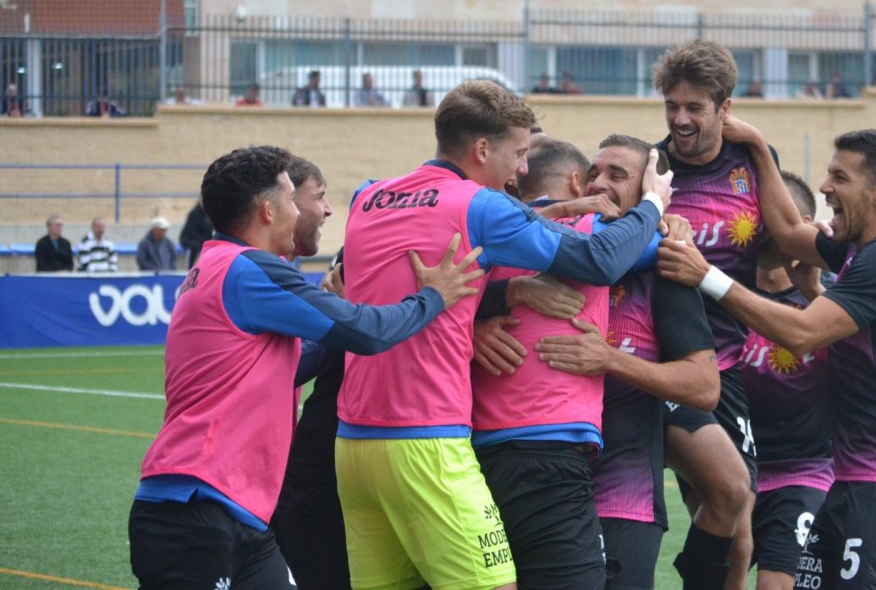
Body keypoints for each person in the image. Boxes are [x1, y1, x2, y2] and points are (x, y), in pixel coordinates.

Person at [334, 80, 673, 590]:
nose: (521, 169)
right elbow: (598, 259)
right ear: (482, 149)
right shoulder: (481, 206)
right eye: (517, 153)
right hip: (427, 439)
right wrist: (652, 207)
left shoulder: (369, 196)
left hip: (353, 444)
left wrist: (509, 289)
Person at [127, 144, 481, 590]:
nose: (306, 211)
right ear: (267, 211)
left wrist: (337, 314)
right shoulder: (251, 269)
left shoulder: (215, 266)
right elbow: (368, 332)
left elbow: (297, 360)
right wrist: (433, 297)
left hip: (234, 514)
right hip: (196, 506)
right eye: (294, 199)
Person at [657, 126, 876, 590]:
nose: (826, 187)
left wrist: (706, 275)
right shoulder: (857, 252)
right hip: (845, 478)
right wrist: (757, 148)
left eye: (839, 178)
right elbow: (789, 232)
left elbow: (804, 334)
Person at [469, 138, 668, 589]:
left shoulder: (480, 232)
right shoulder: (591, 225)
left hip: (470, 455)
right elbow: (653, 247)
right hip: (548, 454)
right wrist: (660, 208)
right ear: (577, 183)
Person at [535, 134, 719, 589]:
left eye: (618, 175)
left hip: (624, 497)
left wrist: (609, 359)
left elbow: (704, 386)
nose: (600, 182)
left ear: (647, 196)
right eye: (594, 172)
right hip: (541, 488)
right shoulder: (548, 252)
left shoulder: (665, 272)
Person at [653, 40, 764, 590]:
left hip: (730, 369)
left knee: (742, 528)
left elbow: (785, 236)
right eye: (672, 105)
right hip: (670, 362)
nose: (680, 118)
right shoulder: (653, 170)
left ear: (725, 108)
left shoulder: (746, 166)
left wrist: (763, 147)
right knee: (730, 491)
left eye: (694, 107)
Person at [736, 172, 832, 590]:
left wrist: (816, 293)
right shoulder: (724, 294)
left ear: (801, 225)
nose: (758, 232)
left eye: (769, 221)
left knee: (775, 584)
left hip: (804, 472)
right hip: (736, 476)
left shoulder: (830, 302)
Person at [270, 155, 353, 590]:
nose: (327, 209)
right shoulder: (254, 275)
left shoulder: (268, 272)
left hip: (291, 471)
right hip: (225, 486)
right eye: (317, 197)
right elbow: (291, 363)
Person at [180, 200, 214, 269]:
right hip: (189, 239)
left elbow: (210, 232)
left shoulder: (209, 215)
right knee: (195, 246)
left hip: (202, 240)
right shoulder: (193, 214)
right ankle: (190, 269)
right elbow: (190, 231)